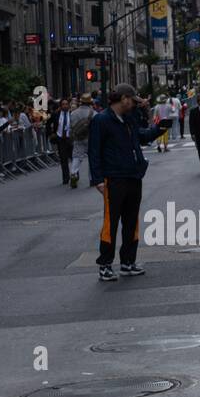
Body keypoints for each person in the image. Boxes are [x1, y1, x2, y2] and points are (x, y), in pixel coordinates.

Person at [87, 84, 167, 282]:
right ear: (123, 98)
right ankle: (105, 264)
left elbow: (142, 137)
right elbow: (94, 151)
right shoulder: (102, 120)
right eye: (132, 100)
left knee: (132, 221)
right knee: (111, 223)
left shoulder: (128, 119)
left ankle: (127, 261)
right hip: (113, 177)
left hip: (132, 175)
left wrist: (160, 128)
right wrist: (97, 180)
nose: (133, 104)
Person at [67, 94, 97, 188]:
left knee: (76, 157)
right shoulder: (94, 113)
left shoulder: (73, 113)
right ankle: (92, 178)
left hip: (78, 138)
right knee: (92, 158)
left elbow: (70, 126)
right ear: (90, 102)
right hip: (91, 138)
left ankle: (73, 173)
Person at [53, 97, 74, 184]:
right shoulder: (56, 114)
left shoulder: (72, 114)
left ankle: (74, 175)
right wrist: (52, 134)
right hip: (61, 139)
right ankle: (66, 178)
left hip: (70, 139)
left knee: (73, 158)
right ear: (60, 106)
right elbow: (50, 124)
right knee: (63, 159)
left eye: (66, 104)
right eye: (63, 104)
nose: (65, 106)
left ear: (68, 105)